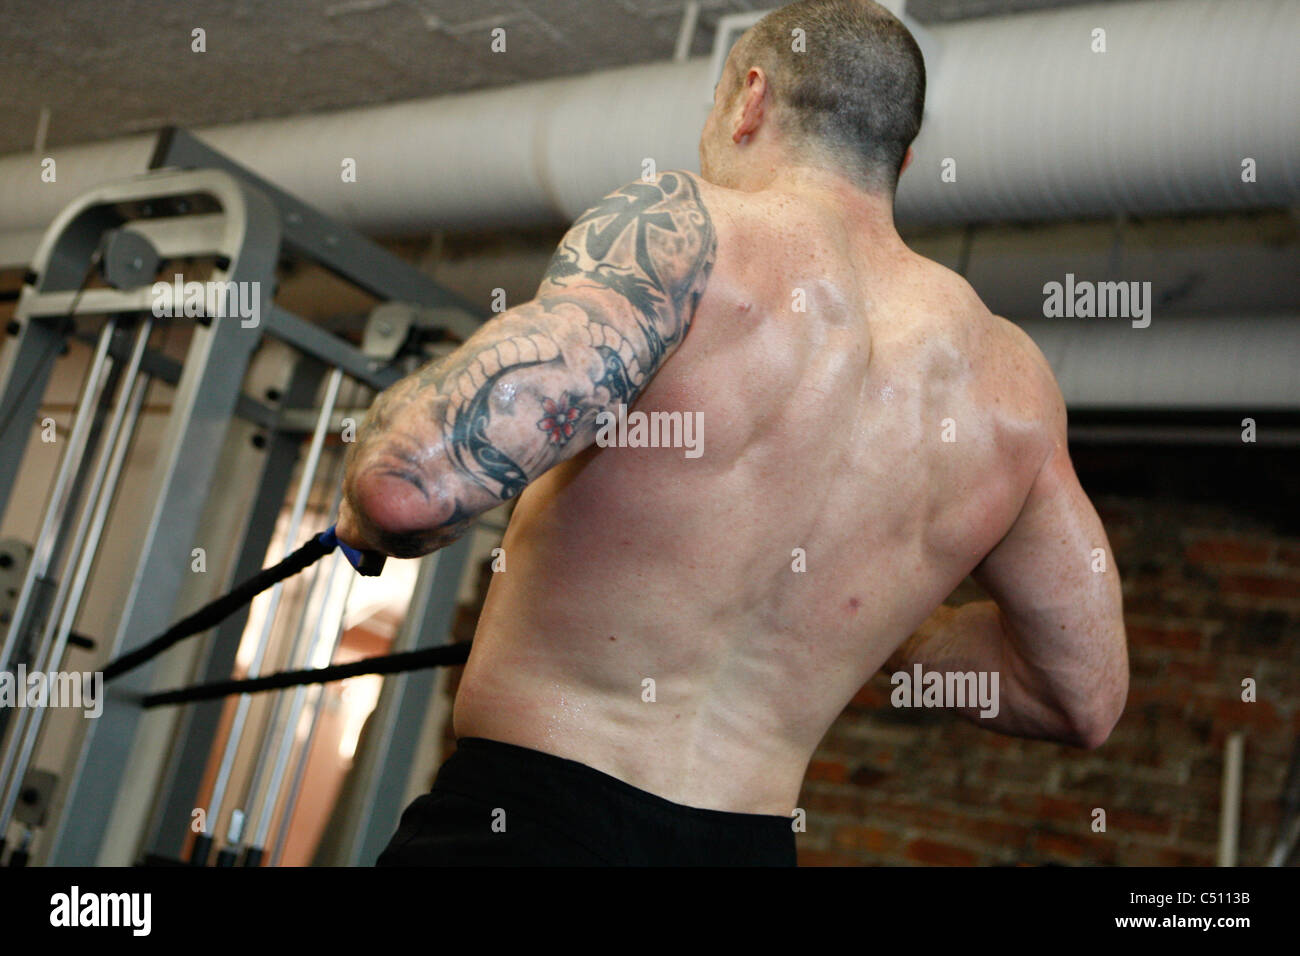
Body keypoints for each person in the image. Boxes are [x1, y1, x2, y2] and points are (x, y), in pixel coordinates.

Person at [337, 0, 1128, 866]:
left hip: (530, 825)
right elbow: (1079, 699)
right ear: (898, 160)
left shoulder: (685, 231)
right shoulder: (1013, 382)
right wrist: (882, 623)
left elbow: (411, 488)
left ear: (748, 99)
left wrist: (362, 510)